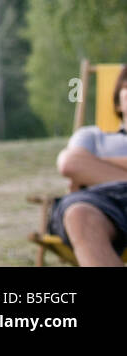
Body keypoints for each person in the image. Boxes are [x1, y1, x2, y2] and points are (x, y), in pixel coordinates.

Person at [50, 63, 127, 267]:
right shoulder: (93, 135)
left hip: (95, 188)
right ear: (118, 101)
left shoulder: (94, 150)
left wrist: (96, 166)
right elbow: (70, 164)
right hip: (102, 202)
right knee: (79, 214)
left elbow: (82, 167)